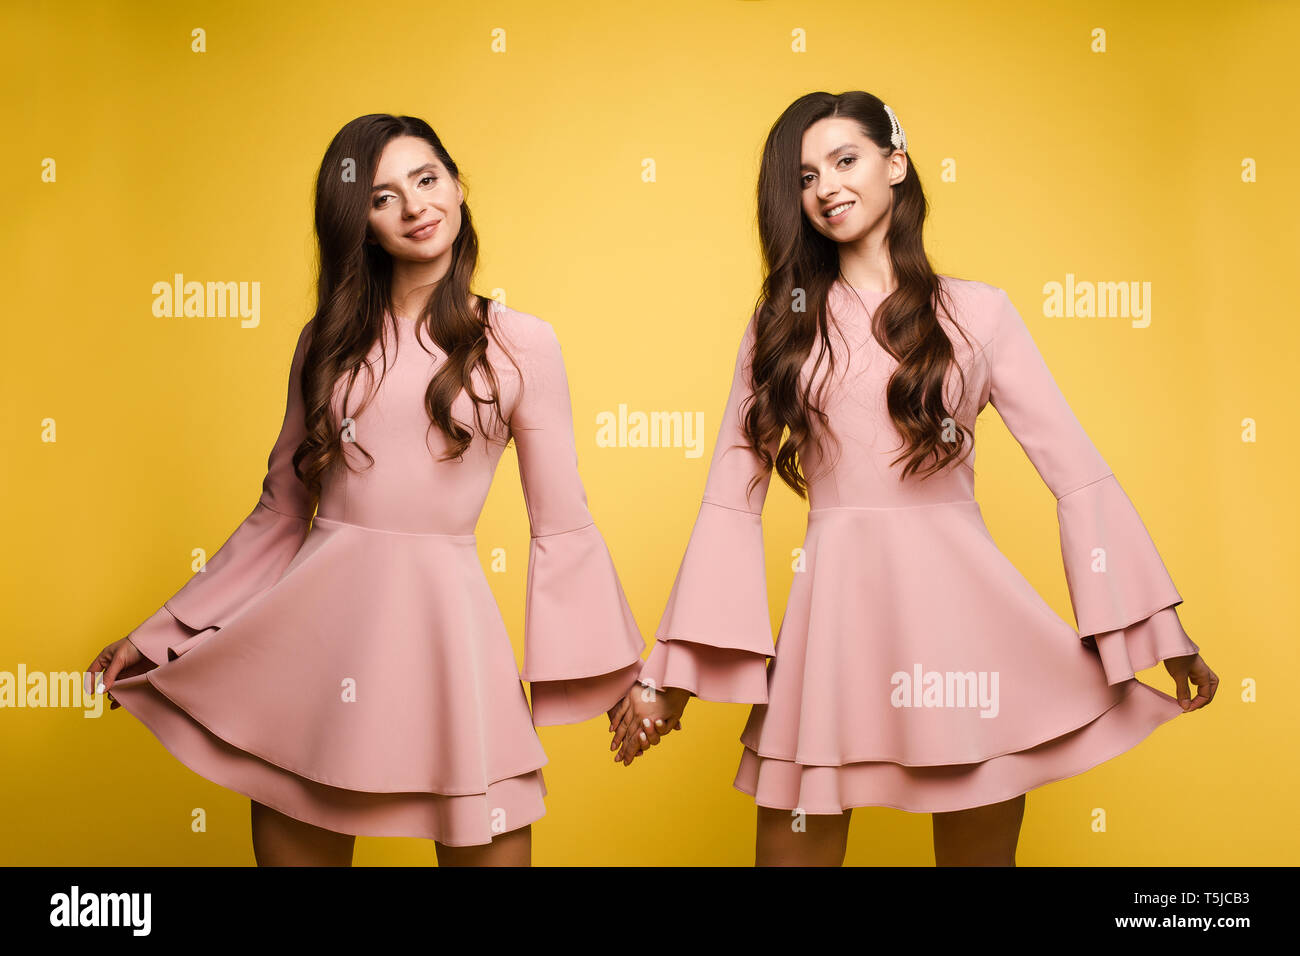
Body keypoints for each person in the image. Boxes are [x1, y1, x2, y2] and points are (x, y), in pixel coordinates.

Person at [608, 90, 1218, 866]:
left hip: (972, 633)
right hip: (832, 630)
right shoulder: (781, 323)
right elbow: (733, 496)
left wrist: (1156, 631)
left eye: (845, 160)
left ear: (896, 164)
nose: (825, 185)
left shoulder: (981, 313)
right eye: (804, 176)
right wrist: (672, 681)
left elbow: (1077, 473)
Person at [87, 114, 651, 866]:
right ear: (360, 224)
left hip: (453, 650)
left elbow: (562, 525)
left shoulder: (522, 342)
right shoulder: (323, 343)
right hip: (313, 658)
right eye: (384, 197)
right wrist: (159, 634)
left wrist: (617, 673)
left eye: (427, 179)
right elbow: (279, 512)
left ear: (456, 186)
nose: (417, 206)